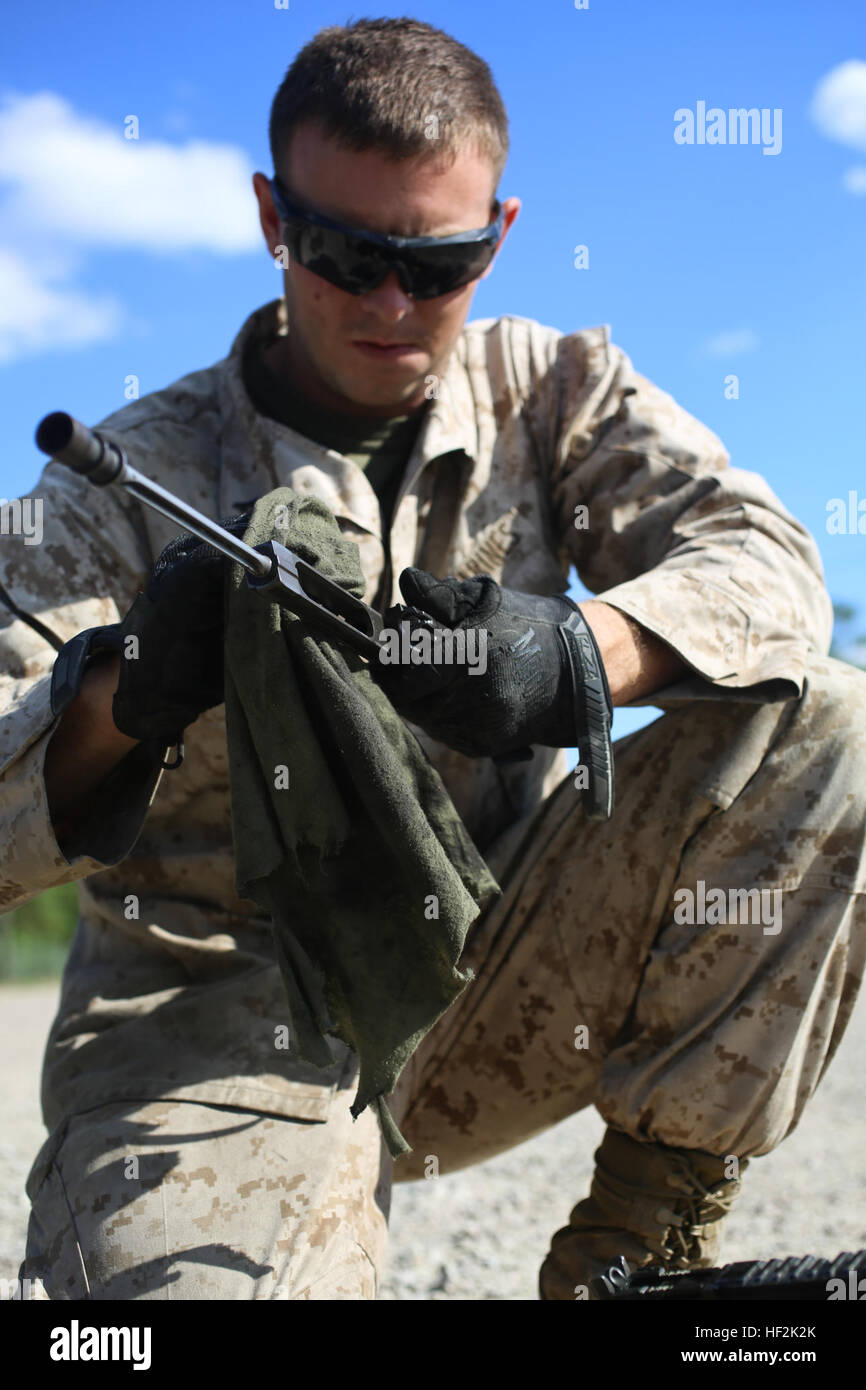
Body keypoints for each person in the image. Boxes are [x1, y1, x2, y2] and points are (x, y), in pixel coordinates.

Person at [3, 17, 865, 1301]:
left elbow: (770, 568)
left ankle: (632, 1253)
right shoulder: (120, 481)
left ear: (500, 235)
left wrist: (581, 653)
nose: (390, 303)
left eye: (437, 259)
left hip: (491, 973)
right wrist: (130, 686)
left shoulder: (559, 388)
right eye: (346, 254)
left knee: (830, 721)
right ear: (270, 217)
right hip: (215, 1022)